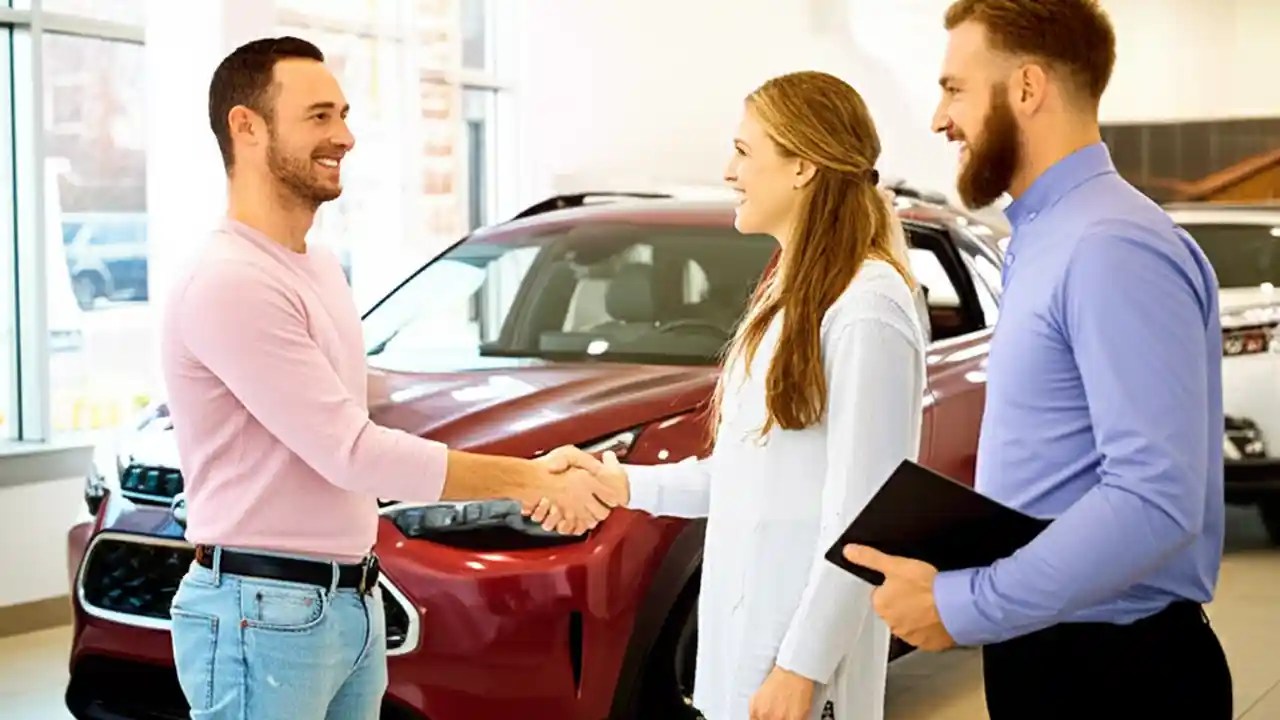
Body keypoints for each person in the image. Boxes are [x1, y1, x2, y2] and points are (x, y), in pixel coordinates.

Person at [160, 37, 619, 719]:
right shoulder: (231, 280)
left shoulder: (315, 265)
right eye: (318, 116)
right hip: (266, 610)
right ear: (246, 126)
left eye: (343, 115)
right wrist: (530, 480)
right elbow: (353, 453)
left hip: (346, 601)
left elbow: (356, 431)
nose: (343, 136)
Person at [842, 1, 1233, 717]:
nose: (937, 118)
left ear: (1027, 88)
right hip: (1054, 651)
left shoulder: (1109, 245)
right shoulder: (1046, 236)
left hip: (1116, 674)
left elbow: (1154, 497)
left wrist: (964, 604)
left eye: (954, 88)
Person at [535, 70, 929, 720]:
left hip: (801, 672)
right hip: (743, 658)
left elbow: (864, 518)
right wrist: (620, 485)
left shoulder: (867, 306)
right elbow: (748, 478)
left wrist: (801, 669)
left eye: (744, 151)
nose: (728, 171)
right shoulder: (786, 295)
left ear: (802, 165)